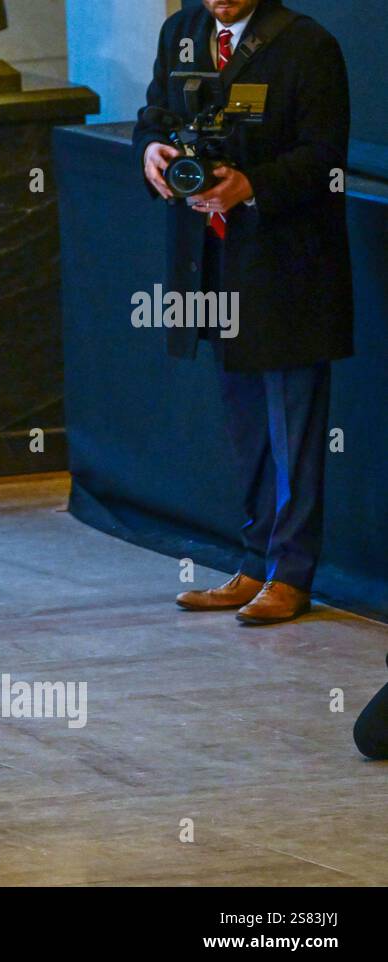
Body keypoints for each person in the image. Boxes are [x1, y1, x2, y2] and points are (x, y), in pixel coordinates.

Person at [133, 0, 353, 625]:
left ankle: (291, 574)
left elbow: (326, 157)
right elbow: (154, 116)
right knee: (247, 431)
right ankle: (254, 563)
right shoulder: (182, 31)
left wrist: (250, 184)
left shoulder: (309, 45)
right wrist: (150, 153)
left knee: (295, 434)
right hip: (212, 266)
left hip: (289, 270)